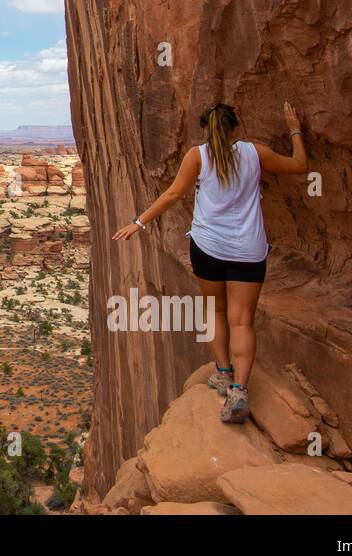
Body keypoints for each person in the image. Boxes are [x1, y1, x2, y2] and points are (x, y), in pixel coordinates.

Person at [111, 101, 308, 422]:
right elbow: (300, 166)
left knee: (214, 308)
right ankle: (240, 390)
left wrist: (139, 222)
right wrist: (295, 130)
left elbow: (173, 195)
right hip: (248, 250)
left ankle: (223, 373)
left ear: (206, 128)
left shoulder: (197, 156)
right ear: (236, 127)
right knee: (242, 320)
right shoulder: (255, 153)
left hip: (208, 247)